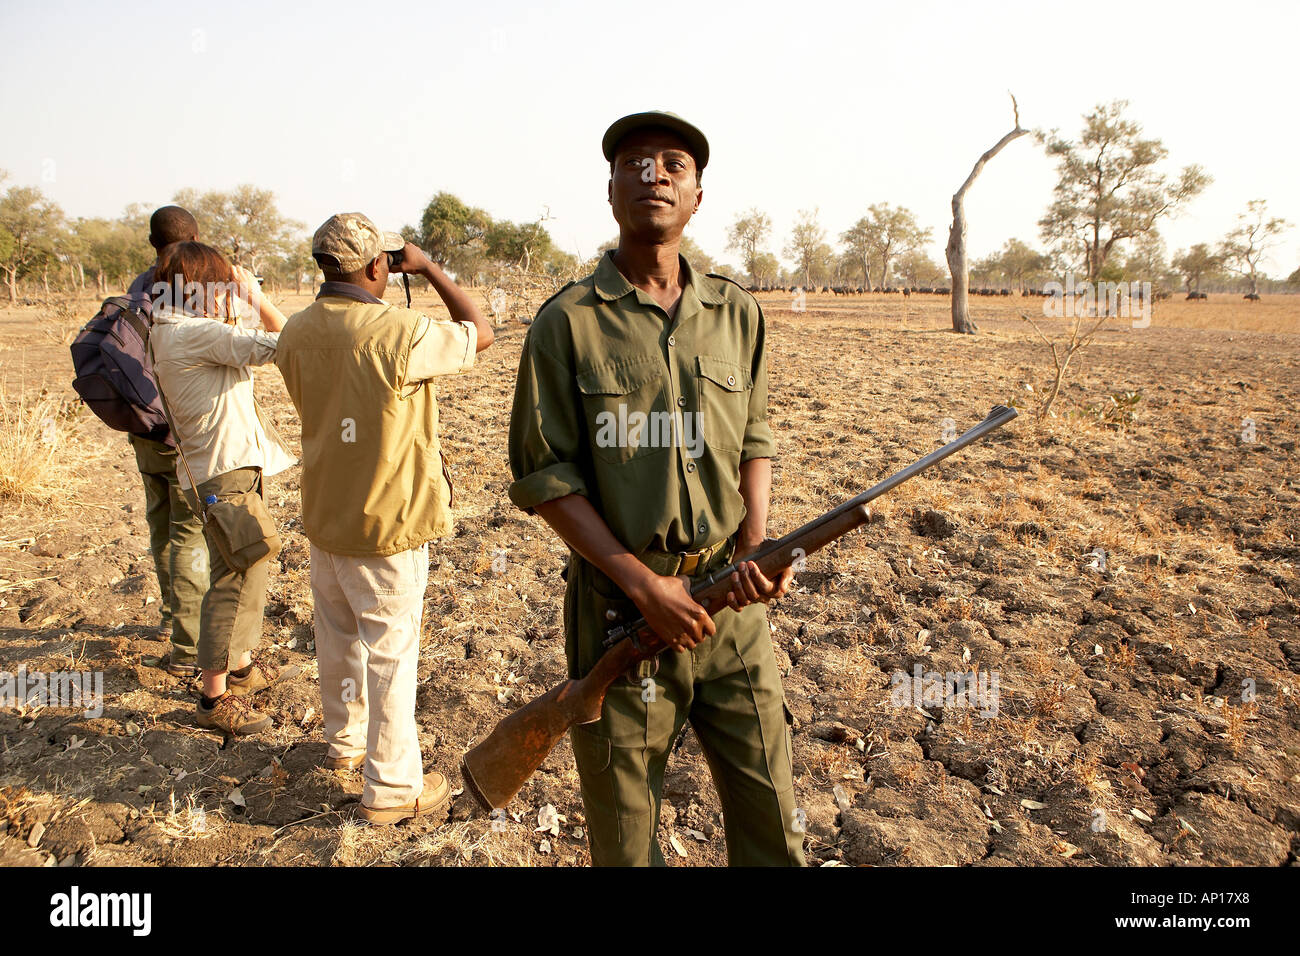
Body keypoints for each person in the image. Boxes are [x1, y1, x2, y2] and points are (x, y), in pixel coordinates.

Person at [507, 111, 806, 866]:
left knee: (773, 814)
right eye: (635, 163)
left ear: (698, 196)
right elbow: (546, 478)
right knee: (627, 835)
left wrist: (756, 545)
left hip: (730, 607)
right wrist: (644, 588)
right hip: (622, 615)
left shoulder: (737, 313)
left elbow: (756, 437)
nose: (655, 174)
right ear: (610, 191)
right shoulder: (566, 323)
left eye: (674, 164)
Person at [276, 213, 493, 825]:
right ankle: (394, 789)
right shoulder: (399, 331)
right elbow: (479, 332)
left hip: (326, 515)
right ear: (378, 266)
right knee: (391, 654)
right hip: (388, 525)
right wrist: (426, 269)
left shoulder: (295, 332)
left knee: (338, 641)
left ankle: (345, 744)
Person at [148, 240, 300, 736]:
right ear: (203, 290)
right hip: (223, 475)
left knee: (235, 568)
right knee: (238, 576)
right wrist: (255, 298)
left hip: (214, 471)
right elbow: (290, 343)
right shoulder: (196, 334)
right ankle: (214, 698)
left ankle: (239, 670)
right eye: (221, 286)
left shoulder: (169, 329)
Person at [126, 206, 209, 677]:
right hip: (180, 430)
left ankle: (170, 615)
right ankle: (187, 646)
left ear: (151, 241)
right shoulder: (189, 291)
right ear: (194, 238)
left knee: (160, 523)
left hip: (142, 427)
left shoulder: (140, 285)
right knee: (187, 532)